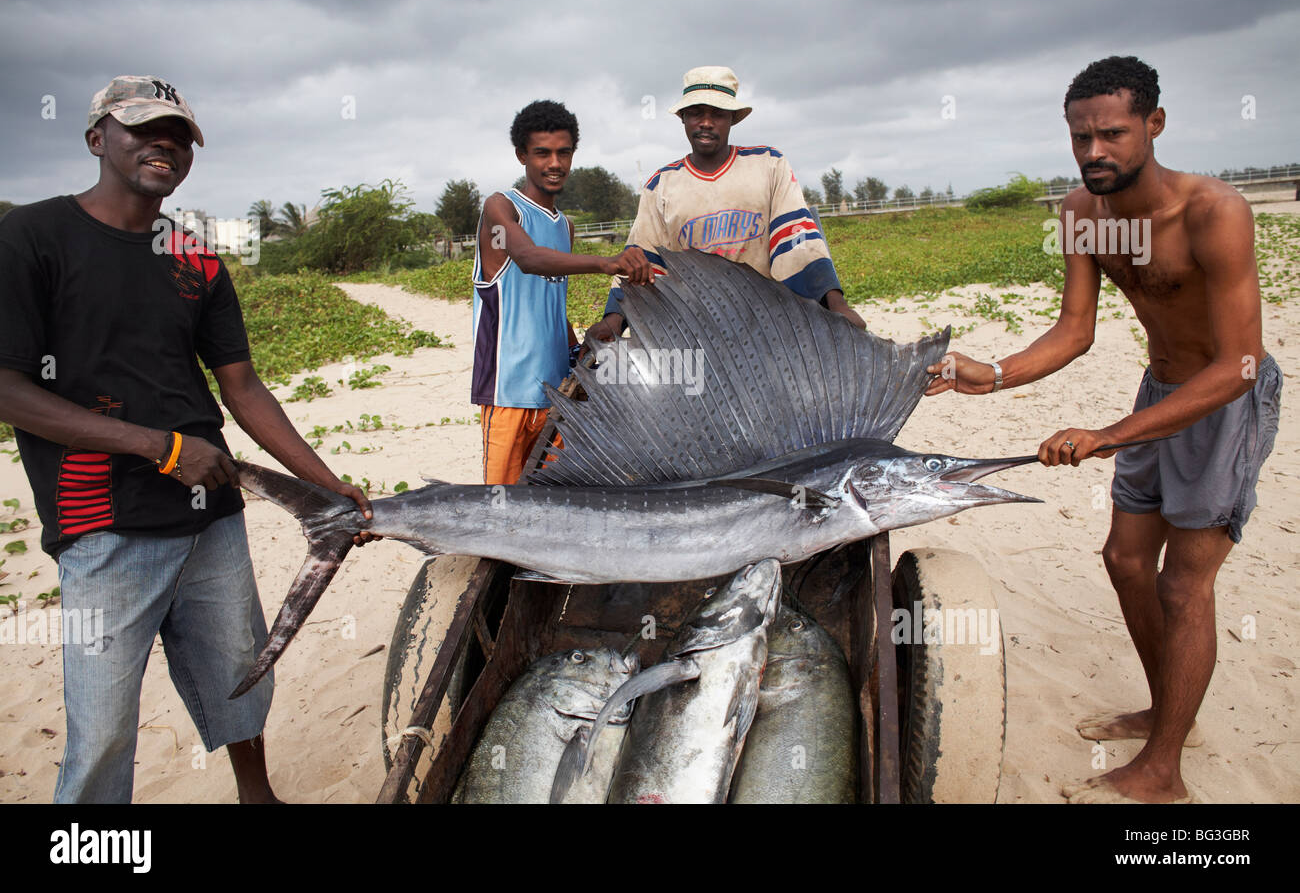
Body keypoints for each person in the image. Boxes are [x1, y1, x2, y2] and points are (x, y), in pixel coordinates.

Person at [0, 75, 375, 803]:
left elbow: (243, 388)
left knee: (239, 673)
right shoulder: (32, 238)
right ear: (96, 139)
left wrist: (325, 484)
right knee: (104, 722)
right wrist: (160, 448)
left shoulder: (194, 257)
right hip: (102, 525)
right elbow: (8, 389)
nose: (162, 144)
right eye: (142, 128)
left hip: (213, 519)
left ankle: (256, 796)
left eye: (178, 135)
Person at [925, 56, 1282, 803]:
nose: (1095, 153)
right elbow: (1074, 331)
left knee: (1185, 587)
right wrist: (987, 373)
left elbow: (1240, 365)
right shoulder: (1079, 215)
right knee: (1125, 561)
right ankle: (1166, 713)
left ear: (1154, 125)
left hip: (1221, 404)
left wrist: (1110, 433)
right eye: (1081, 137)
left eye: (1113, 134)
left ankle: (1164, 771)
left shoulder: (1215, 212)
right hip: (1157, 395)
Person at [585, 65, 866, 344]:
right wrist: (612, 322)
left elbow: (799, 243)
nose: (706, 122)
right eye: (696, 113)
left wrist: (837, 306)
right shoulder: (661, 186)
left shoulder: (768, 165)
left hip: (768, 323)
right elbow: (643, 263)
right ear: (683, 117)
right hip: (697, 331)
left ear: (732, 119)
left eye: (717, 114)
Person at [472, 99, 653, 484]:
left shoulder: (564, 226)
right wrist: (607, 263)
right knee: (499, 508)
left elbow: (551, 306)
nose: (554, 163)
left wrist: (581, 351)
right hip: (508, 392)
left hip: (556, 393)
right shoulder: (502, 208)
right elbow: (528, 258)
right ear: (522, 155)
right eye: (542, 153)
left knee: (551, 504)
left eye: (563, 152)